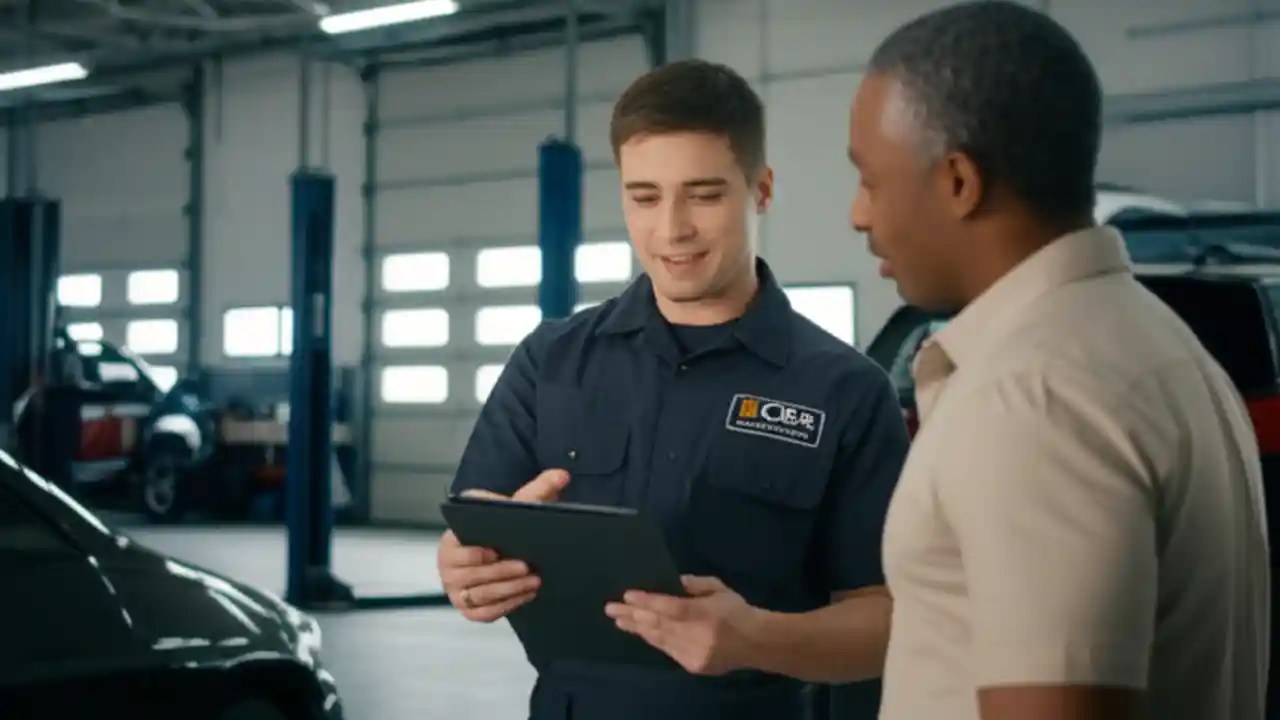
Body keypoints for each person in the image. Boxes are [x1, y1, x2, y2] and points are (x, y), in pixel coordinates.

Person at [436, 58, 910, 719]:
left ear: (762, 189)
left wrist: (756, 639)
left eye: (705, 194)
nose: (672, 229)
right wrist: (464, 567)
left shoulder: (846, 391)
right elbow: (474, 521)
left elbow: (892, 624)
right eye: (645, 197)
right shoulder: (552, 361)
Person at [847, 2, 1272, 719]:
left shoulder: (1033, 395)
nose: (859, 214)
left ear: (958, 182)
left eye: (870, 179)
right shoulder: (1164, 347)